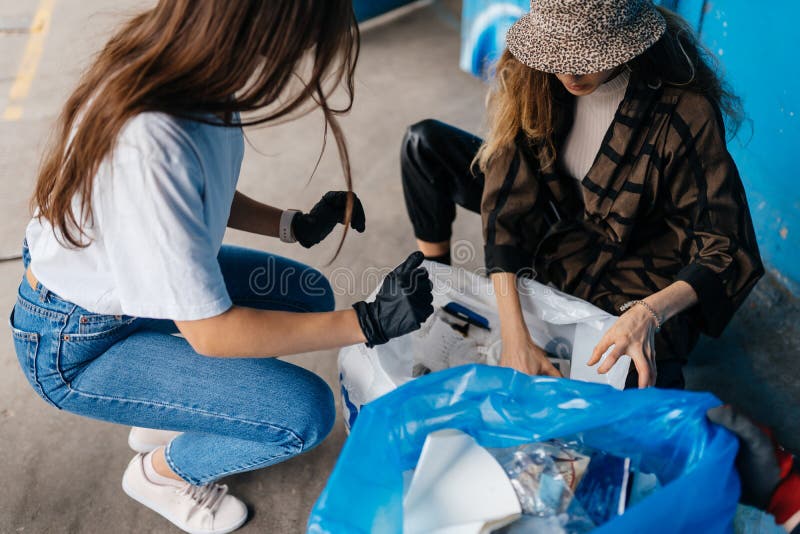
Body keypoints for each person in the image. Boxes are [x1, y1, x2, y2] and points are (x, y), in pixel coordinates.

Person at [9, 2, 433, 533]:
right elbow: (213, 334)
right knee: (304, 414)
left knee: (303, 292)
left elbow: (197, 194)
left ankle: (171, 409)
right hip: (77, 343)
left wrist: (292, 225)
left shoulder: (190, 70)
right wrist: (368, 321)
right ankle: (162, 475)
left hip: (121, 293)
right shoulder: (150, 140)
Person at [401, 0, 763, 389]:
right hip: (557, 220)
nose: (569, 72)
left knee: (635, 382)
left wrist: (647, 314)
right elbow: (506, 210)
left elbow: (726, 247)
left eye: (587, 54)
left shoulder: (683, 111)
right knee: (423, 144)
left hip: (638, 259)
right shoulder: (533, 74)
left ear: (625, 42)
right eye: (557, 53)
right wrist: (515, 336)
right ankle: (434, 286)